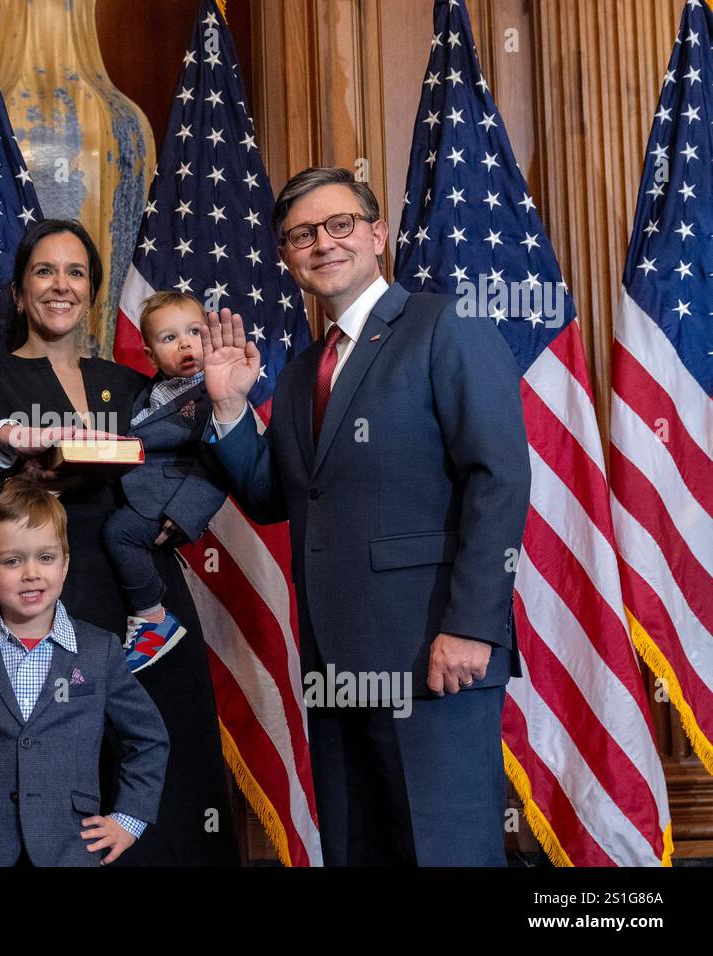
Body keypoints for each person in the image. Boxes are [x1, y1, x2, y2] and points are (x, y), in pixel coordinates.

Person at [202, 166, 531, 866]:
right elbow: (272, 496)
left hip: (432, 657)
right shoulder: (298, 374)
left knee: (444, 854)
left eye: (339, 224)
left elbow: (497, 478)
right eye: (301, 235)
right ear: (287, 259)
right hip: (336, 668)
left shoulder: (446, 326)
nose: (322, 243)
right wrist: (231, 408)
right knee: (362, 853)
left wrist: (472, 626)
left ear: (377, 234)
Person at [0, 219, 241, 866]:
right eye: (45, 271)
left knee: (172, 758)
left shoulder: (130, 384)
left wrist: (181, 515)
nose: (61, 285)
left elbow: (199, 456)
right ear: (18, 293)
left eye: (76, 273)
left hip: (146, 593)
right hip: (53, 599)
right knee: (77, 773)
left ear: (93, 292)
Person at [0, 478, 169, 867]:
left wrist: (129, 819)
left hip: (71, 849)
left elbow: (149, 740)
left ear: (65, 565)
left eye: (46, 558)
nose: (31, 573)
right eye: (12, 561)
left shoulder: (98, 651)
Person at [101, 292, 227, 672]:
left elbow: (220, 461)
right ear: (151, 355)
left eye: (194, 332)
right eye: (169, 338)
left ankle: (153, 619)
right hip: (142, 492)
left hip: (168, 499)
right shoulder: (150, 390)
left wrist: (185, 512)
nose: (185, 343)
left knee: (118, 534)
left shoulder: (215, 393)